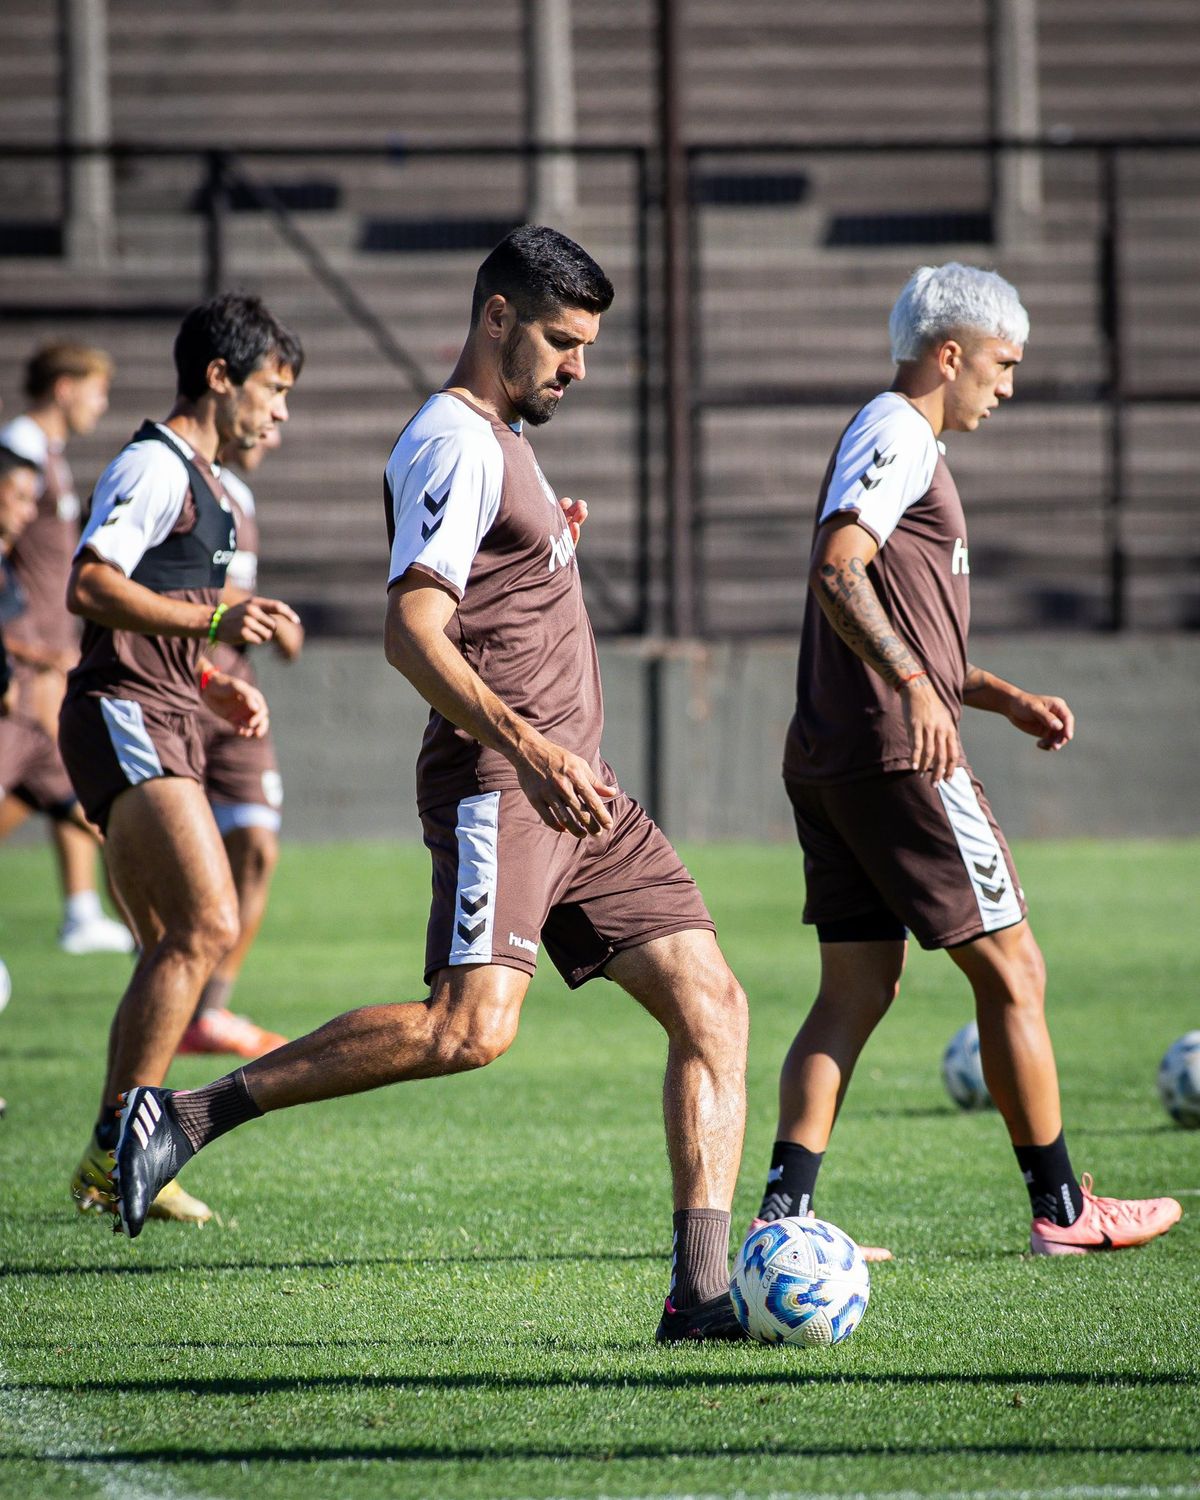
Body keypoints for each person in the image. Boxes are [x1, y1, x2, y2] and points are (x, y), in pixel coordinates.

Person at [110, 226, 751, 1342]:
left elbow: (492, 582)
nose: (578, 367)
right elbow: (412, 631)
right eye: (561, 341)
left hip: (582, 792)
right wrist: (533, 751)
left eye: (588, 346)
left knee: (714, 1007)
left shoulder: (501, 441)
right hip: (512, 777)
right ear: (496, 317)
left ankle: (699, 1299)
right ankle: (184, 1116)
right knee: (468, 1030)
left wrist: (549, 546)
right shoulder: (452, 440)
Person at [748, 262, 1181, 1258]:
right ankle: (1064, 1212)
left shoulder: (896, 439)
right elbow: (838, 569)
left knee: (857, 988)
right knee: (1014, 967)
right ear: (951, 354)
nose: (1009, 385)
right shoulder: (900, 430)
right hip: (898, 757)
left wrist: (997, 694)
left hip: (832, 754)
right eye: (1003, 362)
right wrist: (912, 686)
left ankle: (783, 1219)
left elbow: (906, 624)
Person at [60, 292, 303, 1227]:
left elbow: (152, 612)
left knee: (172, 937)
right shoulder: (155, 466)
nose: (279, 413)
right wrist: (215, 624)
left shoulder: (209, 486)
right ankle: (125, 1150)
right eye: (272, 390)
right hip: (123, 711)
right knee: (207, 923)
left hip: (163, 708)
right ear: (218, 377)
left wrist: (207, 681)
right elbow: (92, 584)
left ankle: (113, 1158)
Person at [0, 342, 132, 955]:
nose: (100, 404)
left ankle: (88, 911)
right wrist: (20, 650)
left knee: (72, 785)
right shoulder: (20, 450)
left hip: (53, 657)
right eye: (95, 390)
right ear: (63, 387)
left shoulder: (49, 456)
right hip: (23, 665)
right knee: (66, 782)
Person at [179, 424, 299, 1059]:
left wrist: (270, 620)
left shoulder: (242, 497)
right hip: (171, 687)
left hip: (235, 692)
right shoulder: (168, 476)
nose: (274, 428)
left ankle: (209, 1012)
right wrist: (252, 604)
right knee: (159, 852)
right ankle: (166, 982)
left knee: (255, 846)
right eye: (271, 395)